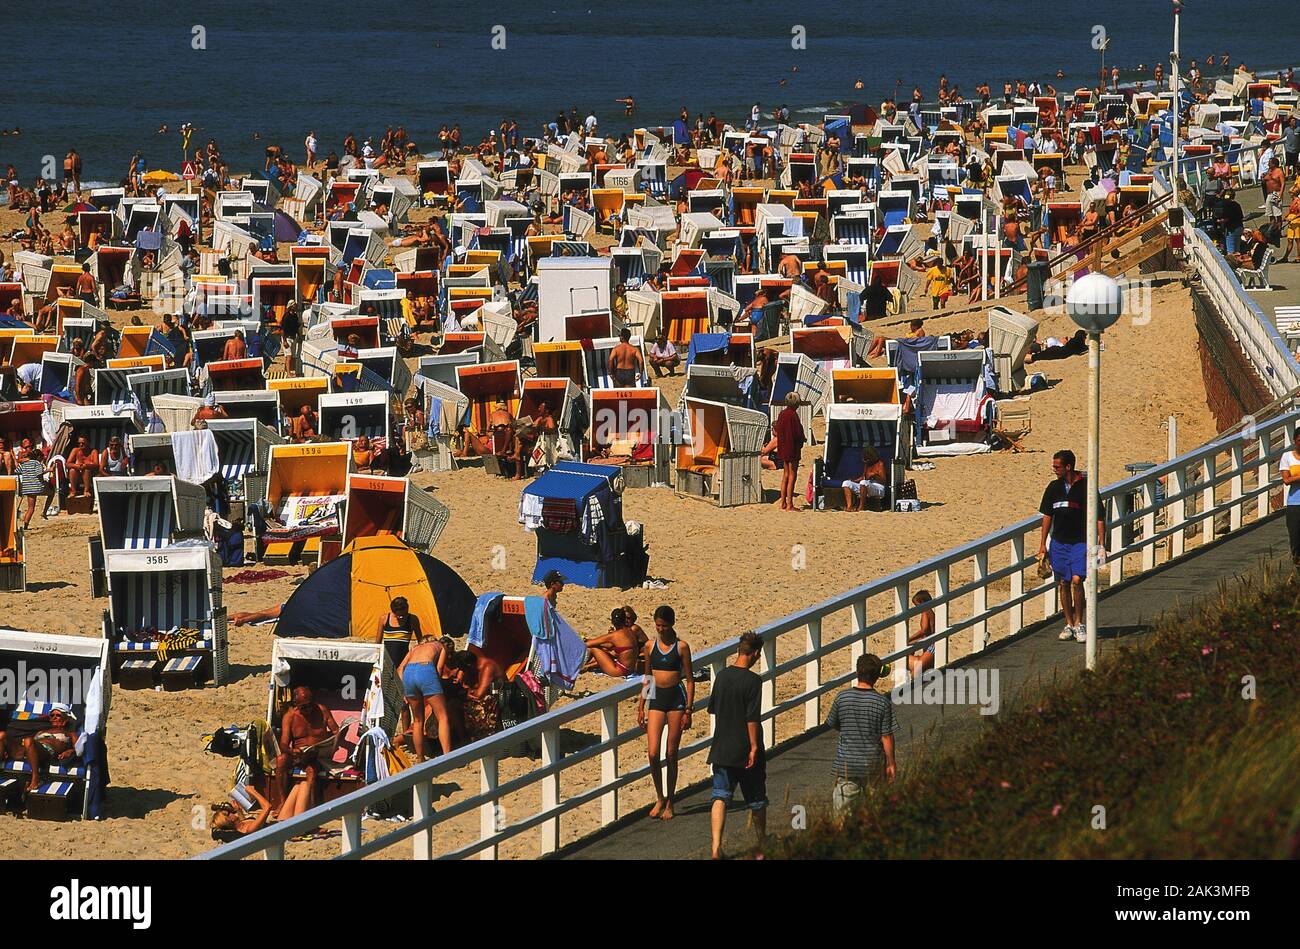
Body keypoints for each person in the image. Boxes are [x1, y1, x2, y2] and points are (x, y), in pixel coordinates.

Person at [706, 630, 767, 859]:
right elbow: (752, 718)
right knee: (757, 800)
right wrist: (753, 746)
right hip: (744, 747)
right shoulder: (753, 681)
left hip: (722, 745)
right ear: (756, 653)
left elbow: (713, 708)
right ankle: (763, 844)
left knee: (720, 796)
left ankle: (715, 847)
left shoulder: (721, 676)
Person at [1037, 449, 1105, 643]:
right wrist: (1043, 544)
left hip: (1081, 542)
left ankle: (1079, 622)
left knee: (1077, 580)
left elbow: (1099, 516)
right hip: (1059, 542)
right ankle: (1068, 623)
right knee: (1063, 583)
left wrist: (1101, 543)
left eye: (1057, 467)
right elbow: (1047, 516)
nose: (1054, 470)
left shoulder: (1086, 487)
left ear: (1068, 466)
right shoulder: (1053, 488)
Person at [637, 605, 693, 820]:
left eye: (664, 625)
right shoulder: (650, 646)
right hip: (657, 699)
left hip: (676, 701)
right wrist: (641, 705)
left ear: (672, 624)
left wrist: (689, 709)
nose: (660, 629)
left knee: (671, 754)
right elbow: (648, 677)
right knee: (652, 753)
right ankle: (659, 796)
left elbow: (689, 679)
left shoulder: (681, 647)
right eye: (658, 625)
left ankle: (670, 800)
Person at [826, 654, 898, 813]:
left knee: (842, 815)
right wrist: (891, 763)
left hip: (846, 765)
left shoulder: (842, 697)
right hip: (873, 763)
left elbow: (833, 722)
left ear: (857, 672)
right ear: (877, 676)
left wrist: (848, 728)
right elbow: (886, 736)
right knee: (874, 811)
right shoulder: (882, 702)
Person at [274, 685, 338, 812]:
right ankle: (283, 801)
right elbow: (283, 744)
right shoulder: (290, 717)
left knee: (312, 771)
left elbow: (336, 731)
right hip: (298, 755)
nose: (308, 710)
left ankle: (312, 809)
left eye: (310, 705)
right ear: (296, 704)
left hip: (317, 756)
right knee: (281, 760)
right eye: (304, 707)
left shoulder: (322, 710)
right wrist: (292, 751)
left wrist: (335, 741)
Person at [395, 633, 452, 762]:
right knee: (443, 717)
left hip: (408, 673)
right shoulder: (440, 646)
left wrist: (402, 690)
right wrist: (436, 686)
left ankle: (420, 758)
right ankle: (447, 757)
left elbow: (400, 668)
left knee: (417, 721)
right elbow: (439, 668)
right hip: (426, 669)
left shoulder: (414, 649)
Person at [761, 391, 805, 511]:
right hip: (792, 449)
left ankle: (783, 503)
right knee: (792, 475)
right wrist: (802, 439)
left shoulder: (782, 414)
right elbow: (797, 434)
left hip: (784, 449)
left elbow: (780, 431)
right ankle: (789, 504)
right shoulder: (793, 415)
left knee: (785, 475)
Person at [583, 607, 642, 677]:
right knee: (605, 650)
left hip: (620, 671)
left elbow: (588, 644)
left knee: (594, 649)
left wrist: (584, 640)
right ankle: (584, 666)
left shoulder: (614, 635)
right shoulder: (630, 631)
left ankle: (579, 666)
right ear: (624, 619)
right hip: (630, 669)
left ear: (612, 621)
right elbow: (607, 645)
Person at [1279, 429, 1300, 566]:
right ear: (1295, 441)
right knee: (1295, 535)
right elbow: (1286, 480)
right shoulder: (1287, 457)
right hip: (1295, 502)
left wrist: (1295, 477)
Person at [15, 447, 47, 529]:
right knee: (51, 493)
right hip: (37, 488)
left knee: (30, 507)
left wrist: (21, 461)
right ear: (39, 457)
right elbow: (39, 473)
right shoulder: (37, 463)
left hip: (27, 488)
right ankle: (45, 511)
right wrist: (49, 470)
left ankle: (25, 524)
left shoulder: (25, 464)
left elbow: (17, 471)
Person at [908, 590, 936, 679]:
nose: (916, 608)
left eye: (916, 605)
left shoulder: (925, 612)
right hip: (932, 644)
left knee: (916, 672)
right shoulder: (931, 612)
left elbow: (924, 630)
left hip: (931, 647)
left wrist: (910, 638)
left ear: (922, 602)